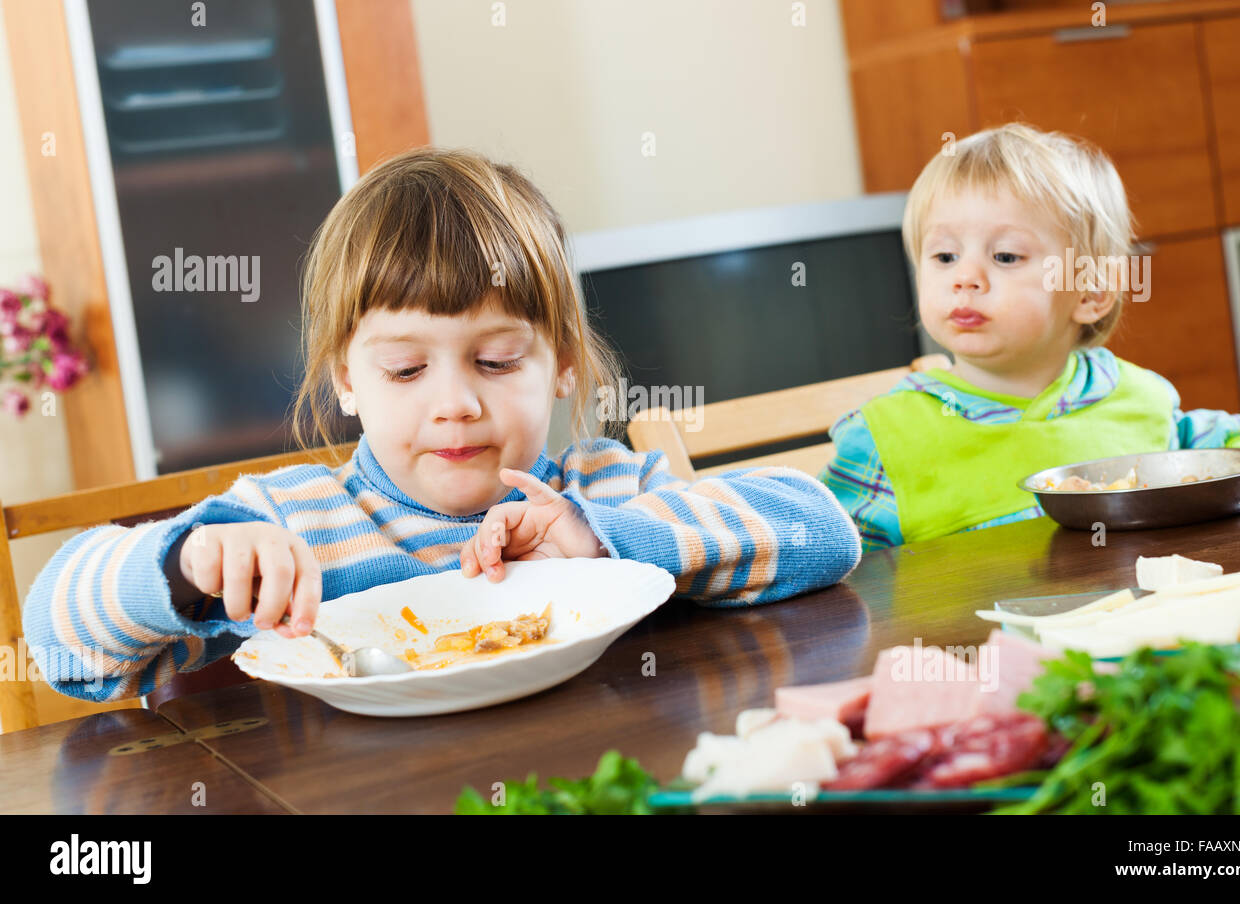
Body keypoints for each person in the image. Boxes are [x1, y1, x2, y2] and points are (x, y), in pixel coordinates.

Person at [24, 148, 861, 703]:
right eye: (405, 370)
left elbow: (820, 528)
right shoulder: (291, 524)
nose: (454, 403)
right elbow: (61, 651)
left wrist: (607, 545)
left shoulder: (604, 491)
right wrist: (185, 564)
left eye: (496, 362)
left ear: (563, 363)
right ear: (347, 378)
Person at [821, 123, 1240, 551]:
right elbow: (837, 566)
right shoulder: (882, 439)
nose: (965, 277)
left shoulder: (1140, 398)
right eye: (944, 255)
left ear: (1092, 291)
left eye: (1004, 255)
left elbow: (1214, 450)